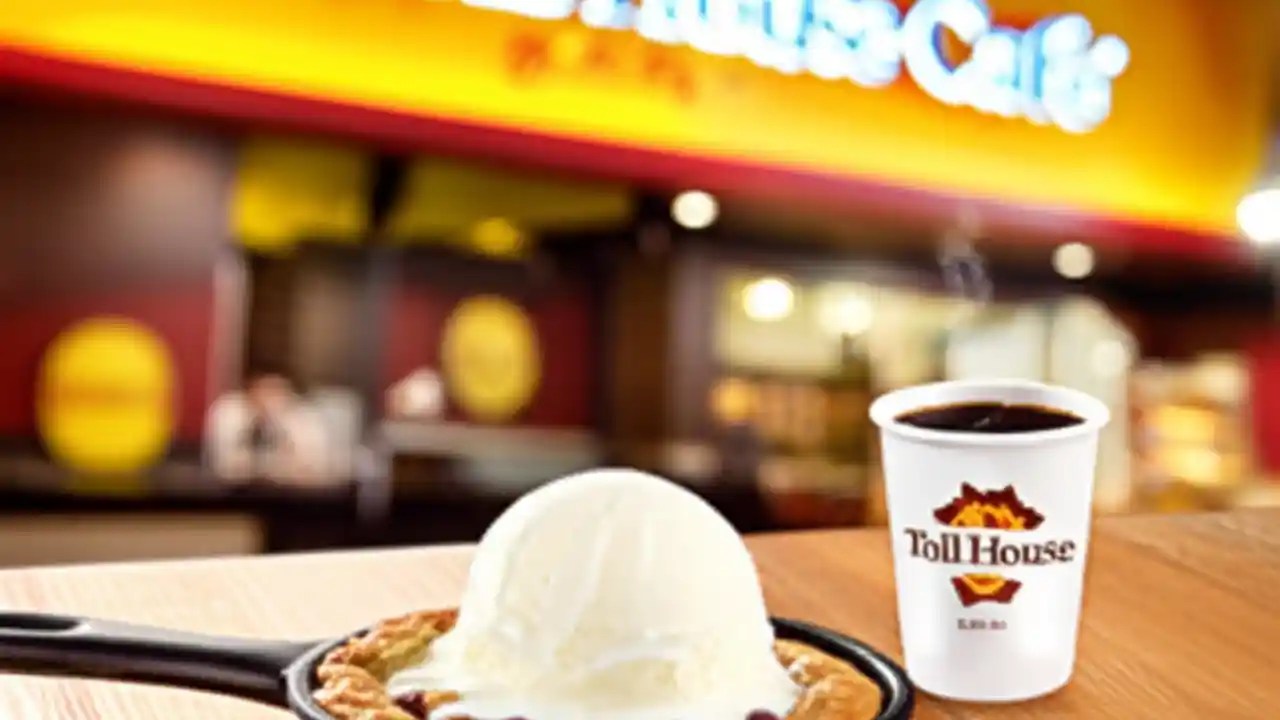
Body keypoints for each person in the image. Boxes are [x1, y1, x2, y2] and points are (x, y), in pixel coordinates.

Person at [205, 370, 329, 485]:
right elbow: (226, 465)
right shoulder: (230, 411)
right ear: (251, 390)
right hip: (235, 492)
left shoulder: (302, 417)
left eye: (277, 390)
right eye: (265, 388)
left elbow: (310, 467)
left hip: (289, 493)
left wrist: (276, 422)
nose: (270, 397)